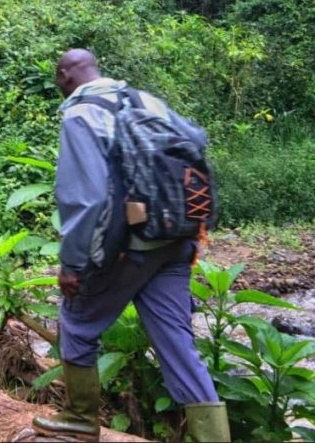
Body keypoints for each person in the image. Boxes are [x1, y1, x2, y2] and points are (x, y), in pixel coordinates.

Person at [32, 49, 229, 442]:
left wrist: (73, 265)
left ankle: (79, 418)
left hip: (131, 245)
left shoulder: (81, 113)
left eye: (57, 77)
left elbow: (85, 199)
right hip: (175, 239)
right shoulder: (146, 100)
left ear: (64, 75)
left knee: (77, 320)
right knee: (176, 343)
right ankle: (215, 438)